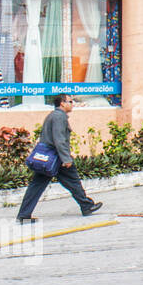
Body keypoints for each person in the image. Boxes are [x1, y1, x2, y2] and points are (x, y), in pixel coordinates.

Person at [16, 95, 103, 223]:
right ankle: (86, 205)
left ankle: (24, 215)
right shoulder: (59, 117)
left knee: (37, 186)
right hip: (57, 158)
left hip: (50, 159)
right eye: (70, 102)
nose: (72, 104)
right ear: (62, 103)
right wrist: (66, 159)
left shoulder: (54, 115)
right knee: (73, 181)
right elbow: (59, 139)